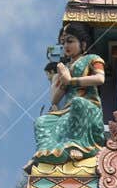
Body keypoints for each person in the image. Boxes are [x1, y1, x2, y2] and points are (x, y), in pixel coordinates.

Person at [33, 22, 106, 164]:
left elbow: (100, 79)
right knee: (41, 121)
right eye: (63, 42)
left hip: (87, 108)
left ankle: (78, 145)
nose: (66, 45)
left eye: (70, 41)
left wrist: (71, 80)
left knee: (78, 103)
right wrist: (61, 79)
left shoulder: (92, 59)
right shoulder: (65, 68)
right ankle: (48, 151)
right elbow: (54, 100)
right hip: (66, 111)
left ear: (83, 44)